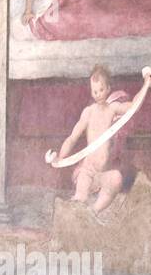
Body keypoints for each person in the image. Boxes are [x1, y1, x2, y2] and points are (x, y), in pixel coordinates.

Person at [55, 65, 137, 214]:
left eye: (101, 90)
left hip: (103, 173)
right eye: (94, 91)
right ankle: (78, 208)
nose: (98, 94)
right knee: (80, 198)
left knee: (116, 178)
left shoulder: (113, 108)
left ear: (108, 89)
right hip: (87, 170)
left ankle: (93, 212)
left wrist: (146, 84)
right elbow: (72, 138)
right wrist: (60, 157)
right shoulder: (88, 112)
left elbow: (133, 107)